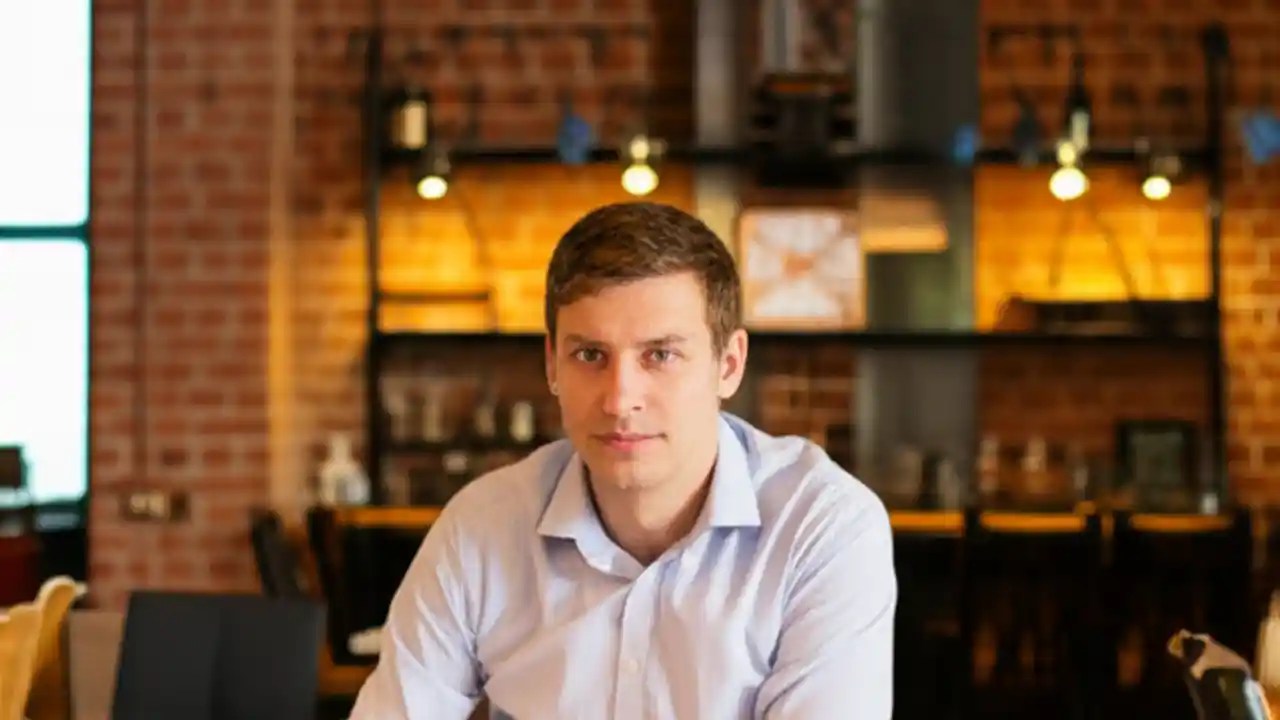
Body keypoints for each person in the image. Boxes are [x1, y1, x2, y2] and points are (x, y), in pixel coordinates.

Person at [349, 201, 897, 719]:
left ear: (728, 365)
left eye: (660, 355)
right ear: (552, 364)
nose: (619, 399)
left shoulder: (822, 527)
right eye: (590, 356)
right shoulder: (482, 529)